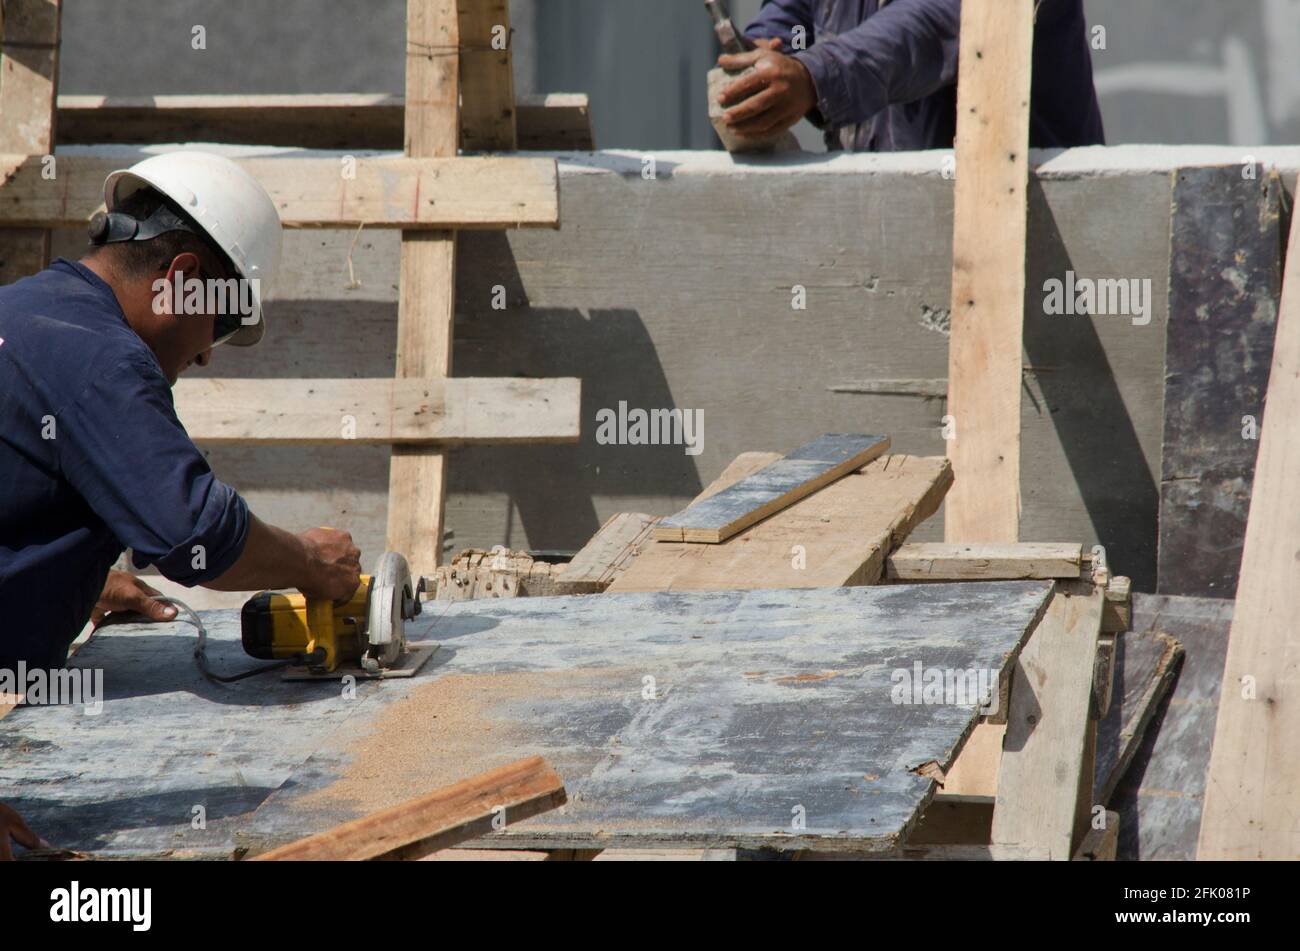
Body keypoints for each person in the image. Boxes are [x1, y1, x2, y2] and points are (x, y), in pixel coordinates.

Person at [0, 152, 362, 856]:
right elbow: (198, 533)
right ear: (184, 281)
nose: (207, 357)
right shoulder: (100, 356)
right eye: (219, 327)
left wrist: (65, 578)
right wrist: (311, 563)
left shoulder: (29, 311)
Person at [717, 0, 1104, 151]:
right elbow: (793, 11)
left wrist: (812, 74)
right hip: (888, 234)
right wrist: (763, 49)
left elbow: (928, 29)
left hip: (1026, 254)